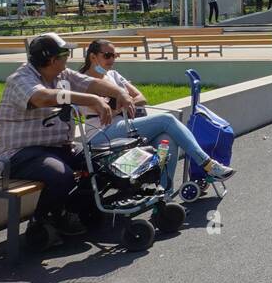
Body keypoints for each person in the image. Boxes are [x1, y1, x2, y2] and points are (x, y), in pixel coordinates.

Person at [0, 33, 138, 245]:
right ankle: (41, 223)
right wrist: (90, 99)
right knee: (62, 176)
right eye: (65, 54)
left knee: (102, 160)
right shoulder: (21, 79)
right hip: (19, 154)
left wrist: (120, 93)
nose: (68, 58)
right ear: (53, 60)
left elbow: (91, 83)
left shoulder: (62, 75)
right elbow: (43, 97)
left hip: (58, 147)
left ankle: (75, 213)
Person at [79, 39, 234, 191]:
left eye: (115, 56)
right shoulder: (82, 82)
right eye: (107, 55)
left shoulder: (113, 75)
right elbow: (104, 112)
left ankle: (164, 195)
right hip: (101, 134)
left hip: (124, 126)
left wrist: (122, 104)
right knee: (166, 119)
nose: (112, 60)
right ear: (93, 57)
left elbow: (141, 98)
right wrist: (123, 105)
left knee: (168, 141)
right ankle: (208, 164)